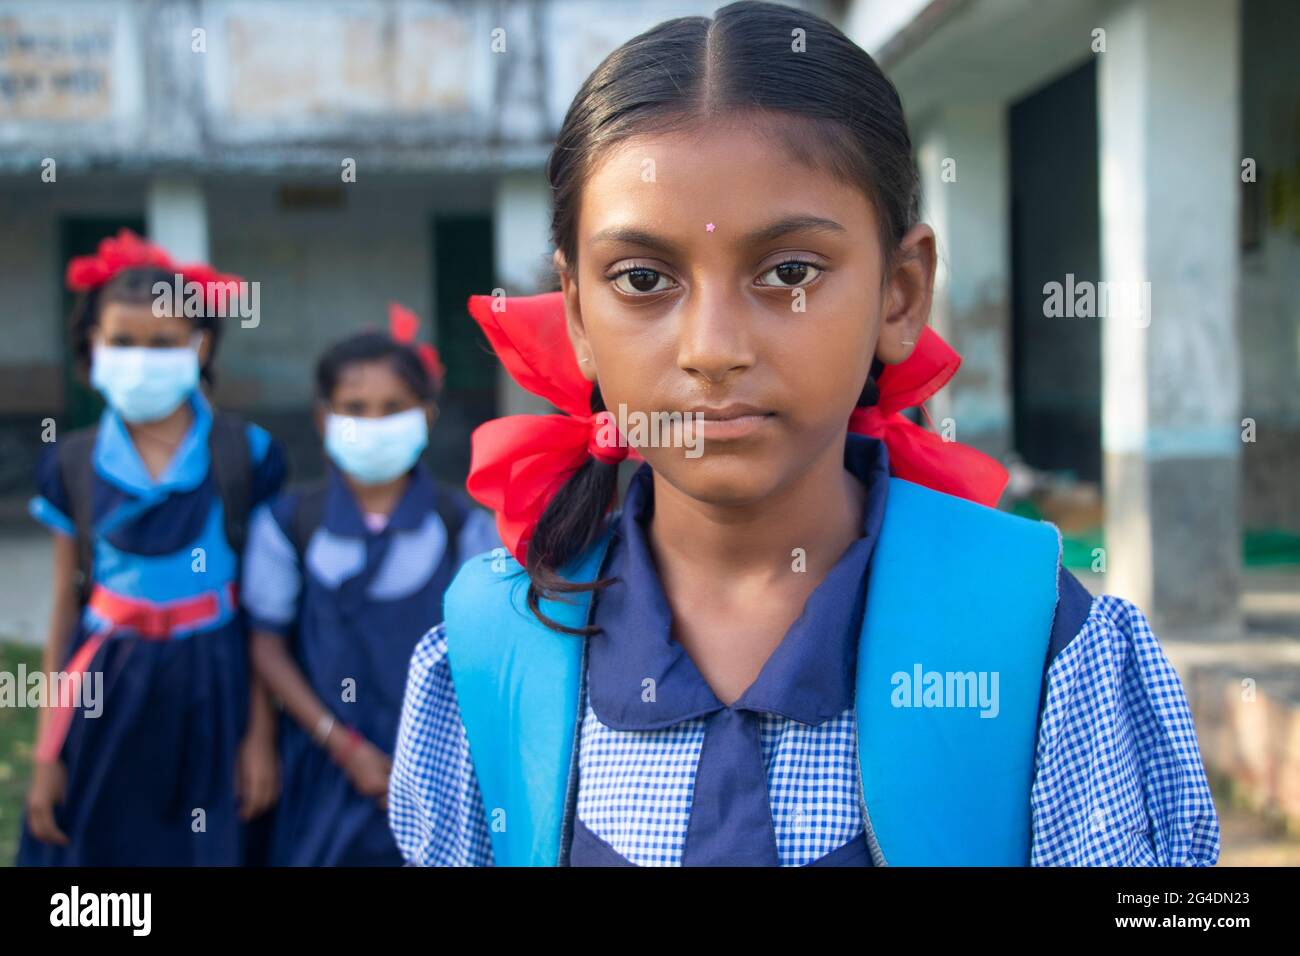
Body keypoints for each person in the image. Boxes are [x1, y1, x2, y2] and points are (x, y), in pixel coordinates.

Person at [388, 0, 1220, 867]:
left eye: (789, 271)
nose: (712, 349)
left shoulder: (1040, 646)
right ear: (577, 317)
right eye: (641, 278)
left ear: (900, 293)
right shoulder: (491, 653)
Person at [19, 229, 285, 865]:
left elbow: (260, 611)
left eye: (163, 343)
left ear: (200, 345)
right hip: (107, 689)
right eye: (123, 342)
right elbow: (65, 604)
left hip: (215, 684)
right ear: (93, 344)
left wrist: (259, 734)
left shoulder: (246, 455)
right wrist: (47, 752)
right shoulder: (71, 463)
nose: (141, 359)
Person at [241, 307, 499, 866]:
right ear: (323, 417)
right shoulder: (287, 525)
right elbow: (266, 646)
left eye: (393, 408)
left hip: (442, 773)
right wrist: (342, 745)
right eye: (355, 408)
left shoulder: (464, 526)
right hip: (321, 767)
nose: (374, 423)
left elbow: (487, 654)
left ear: (426, 416)